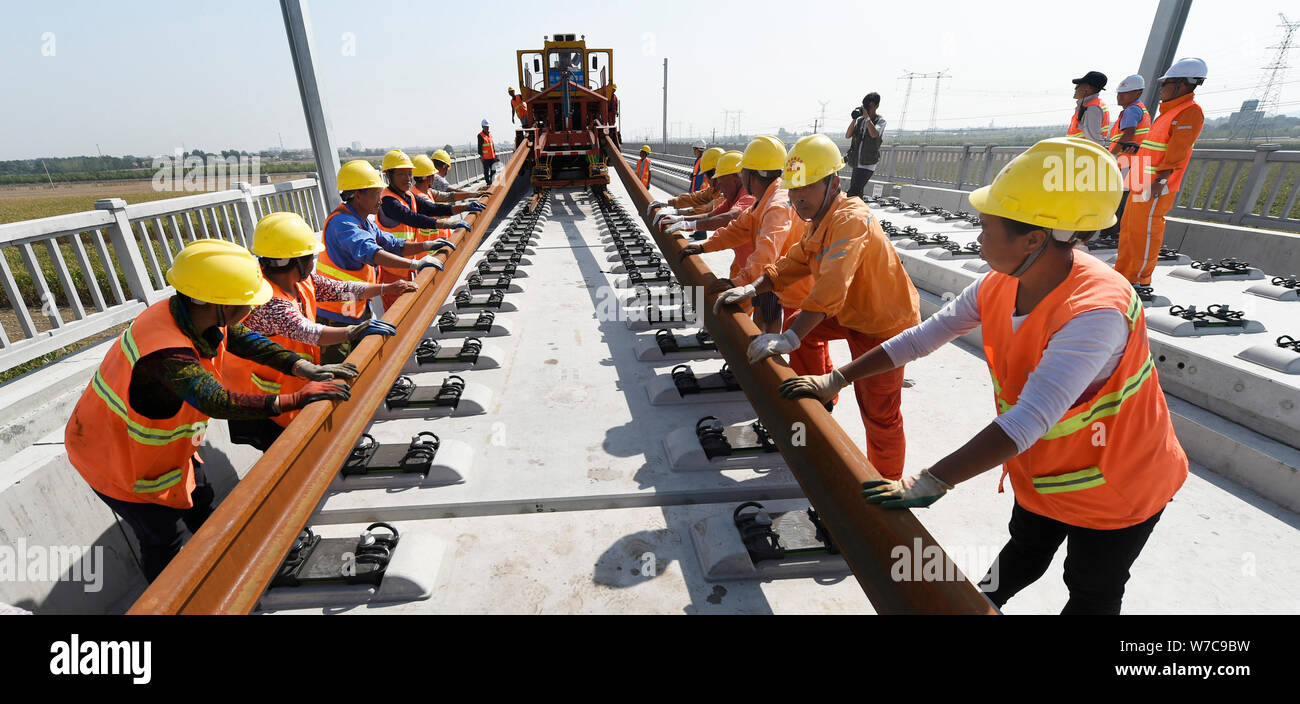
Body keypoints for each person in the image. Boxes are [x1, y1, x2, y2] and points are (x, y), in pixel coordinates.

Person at [780, 137, 1188, 614]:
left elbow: (1025, 421)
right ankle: (980, 603)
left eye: (987, 227)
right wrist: (839, 379)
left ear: (1034, 238)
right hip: (1048, 473)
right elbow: (921, 338)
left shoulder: (1094, 313)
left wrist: (931, 480)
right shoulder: (1000, 283)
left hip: (1119, 483)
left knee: (1091, 587)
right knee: (1024, 551)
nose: (977, 238)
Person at [64, 239, 355, 581]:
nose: (249, 310)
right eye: (244, 303)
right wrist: (294, 398)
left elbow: (245, 339)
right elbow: (214, 400)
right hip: (116, 461)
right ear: (219, 304)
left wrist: (299, 366)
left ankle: (226, 565)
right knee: (162, 538)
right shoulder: (165, 352)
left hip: (164, 451)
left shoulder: (192, 314)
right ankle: (171, 602)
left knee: (203, 501)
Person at [714, 134, 920, 480]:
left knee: (879, 413)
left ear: (833, 182)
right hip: (853, 312)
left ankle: (887, 488)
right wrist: (753, 286)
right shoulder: (819, 222)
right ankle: (820, 405)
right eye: (794, 189)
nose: (797, 197)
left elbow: (831, 286)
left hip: (884, 323)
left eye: (807, 187)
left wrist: (790, 337)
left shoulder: (849, 219)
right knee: (803, 329)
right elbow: (791, 263)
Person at [226, 212, 414, 450]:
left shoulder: (300, 280)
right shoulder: (269, 300)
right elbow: (306, 331)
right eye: (309, 257)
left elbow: (340, 289)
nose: (313, 261)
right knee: (282, 453)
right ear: (295, 261)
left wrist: (386, 288)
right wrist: (353, 331)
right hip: (262, 398)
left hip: (289, 384)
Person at [679, 136, 830, 385]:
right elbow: (737, 229)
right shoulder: (765, 200)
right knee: (803, 347)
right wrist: (703, 246)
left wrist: (737, 282)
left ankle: (815, 400)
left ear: (752, 174)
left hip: (795, 290)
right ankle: (782, 381)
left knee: (808, 350)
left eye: (744, 172)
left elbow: (766, 254)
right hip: (778, 283)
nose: (741, 177)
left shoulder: (777, 204)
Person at [316, 160, 451, 360]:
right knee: (340, 367)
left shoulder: (363, 221)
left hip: (357, 304)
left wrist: (427, 246)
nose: (380, 200)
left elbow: (393, 244)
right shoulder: (343, 224)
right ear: (358, 195)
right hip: (335, 314)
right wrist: (415, 264)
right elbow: (374, 253)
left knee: (363, 358)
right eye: (375, 194)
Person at [1114, 58, 1207, 286]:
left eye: (1166, 84)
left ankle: (1140, 279)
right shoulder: (1167, 112)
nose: (1161, 89)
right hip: (1140, 180)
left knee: (1146, 231)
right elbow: (1157, 146)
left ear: (1183, 84)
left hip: (1155, 183)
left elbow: (1178, 151)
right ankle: (1123, 273)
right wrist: (1137, 149)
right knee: (1129, 230)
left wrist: (1161, 182)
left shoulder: (1189, 112)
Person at [376, 149, 480, 308]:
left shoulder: (408, 196)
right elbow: (412, 218)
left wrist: (464, 207)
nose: (408, 178)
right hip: (393, 270)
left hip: (408, 264)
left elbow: (432, 208)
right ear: (389, 175)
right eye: (401, 174)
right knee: (396, 311)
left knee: (411, 306)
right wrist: (447, 224)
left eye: (409, 173)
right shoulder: (388, 201)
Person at [657, 151, 755, 238]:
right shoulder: (728, 193)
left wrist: (682, 218)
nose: (707, 181)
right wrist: (677, 214)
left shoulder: (746, 196)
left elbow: (724, 214)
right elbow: (699, 202)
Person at [1101, 74, 1152, 237]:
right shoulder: (1140, 110)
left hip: (1127, 163)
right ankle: (1118, 235)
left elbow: (1129, 134)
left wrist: (1111, 155)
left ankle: (1111, 235)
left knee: (1117, 200)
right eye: (1119, 93)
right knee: (1125, 200)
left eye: (1124, 93)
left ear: (1137, 93)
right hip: (1135, 162)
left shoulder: (1131, 111)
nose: (1119, 96)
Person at [646, 147, 724, 221]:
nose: (706, 180)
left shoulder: (726, 194)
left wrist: (678, 214)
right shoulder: (715, 190)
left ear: (715, 174)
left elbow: (707, 209)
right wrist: (667, 202)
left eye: (707, 176)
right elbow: (695, 197)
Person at [845, 92, 885, 200]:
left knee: (853, 192)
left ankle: (852, 214)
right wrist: (854, 119)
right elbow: (848, 135)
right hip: (857, 162)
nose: (867, 109)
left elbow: (874, 134)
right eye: (865, 106)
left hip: (868, 163)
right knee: (857, 193)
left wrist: (867, 118)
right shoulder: (860, 121)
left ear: (876, 106)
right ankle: (861, 214)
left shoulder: (880, 121)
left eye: (870, 107)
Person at [1067, 70, 1111, 148]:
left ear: (1087, 88)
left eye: (1078, 85)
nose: (1075, 88)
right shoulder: (1094, 105)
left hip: (1083, 155)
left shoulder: (1092, 109)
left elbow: (1094, 140)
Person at [478, 119, 498, 185]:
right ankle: (488, 183)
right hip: (485, 158)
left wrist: (495, 155)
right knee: (486, 171)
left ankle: (492, 181)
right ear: (482, 127)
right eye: (486, 127)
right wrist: (481, 156)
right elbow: (479, 147)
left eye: (488, 127)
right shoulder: (480, 135)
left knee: (493, 170)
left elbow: (492, 146)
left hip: (492, 157)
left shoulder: (490, 135)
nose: (487, 128)